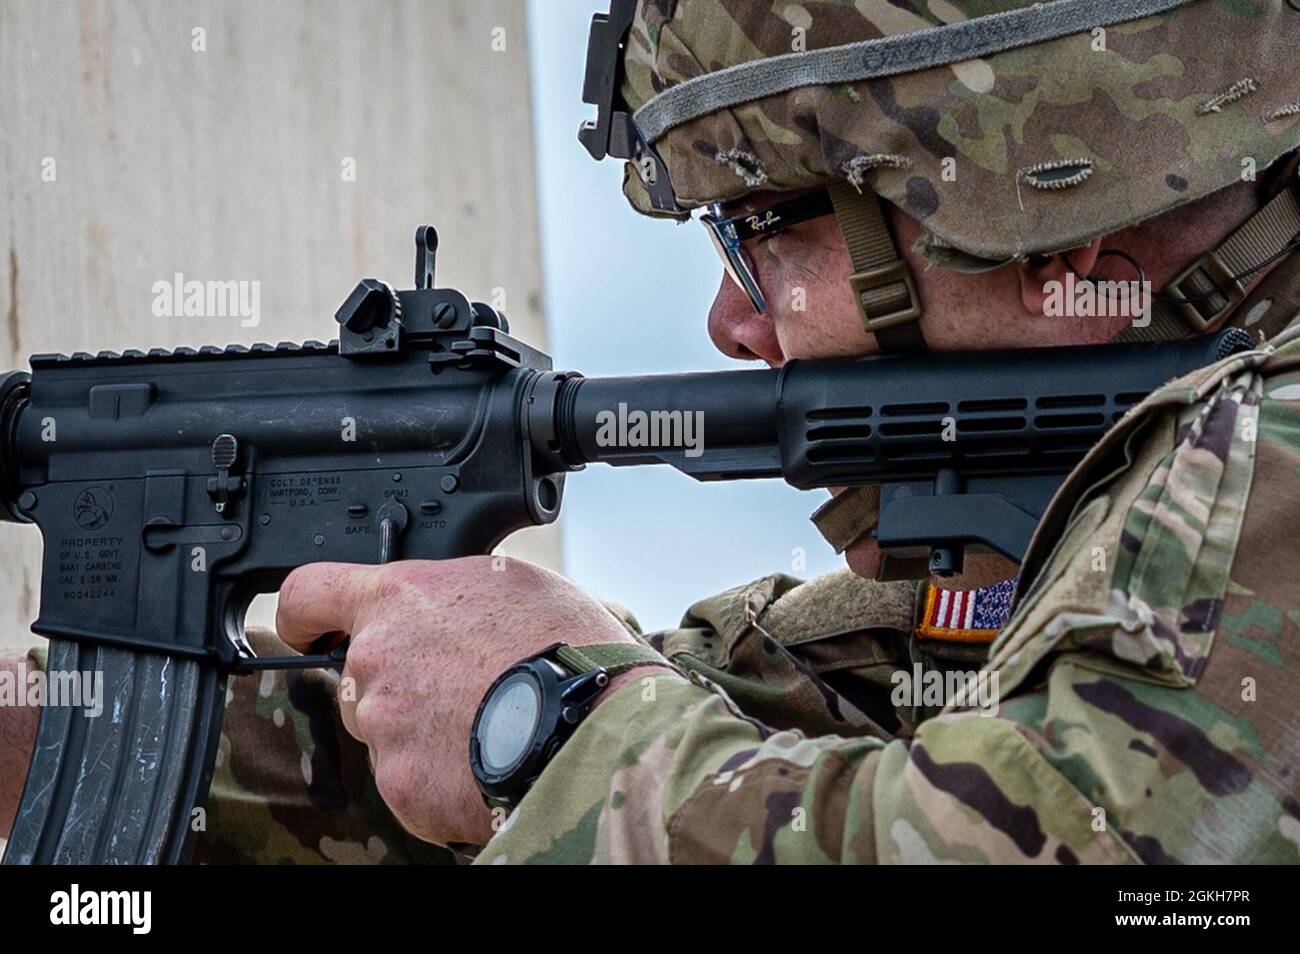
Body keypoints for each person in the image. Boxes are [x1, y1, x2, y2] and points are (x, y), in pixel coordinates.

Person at [5, 0, 1300, 863]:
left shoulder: (1268, 452)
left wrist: (547, 718)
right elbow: (789, 731)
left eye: (767, 226)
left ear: (1034, 208)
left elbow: (1061, 844)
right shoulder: (1058, 566)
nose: (731, 318)